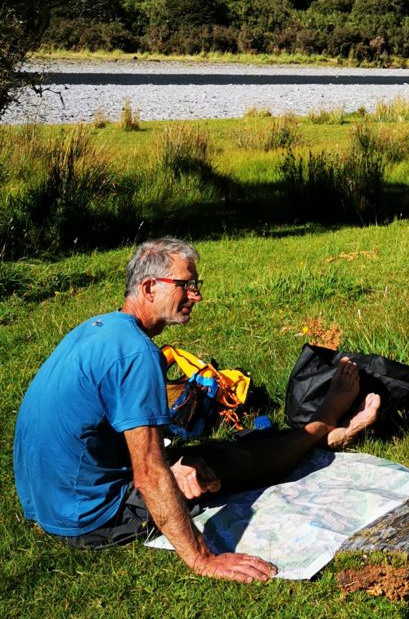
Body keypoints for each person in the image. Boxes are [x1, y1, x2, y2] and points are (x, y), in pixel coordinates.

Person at [13, 237, 380, 583]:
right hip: (90, 518)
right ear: (149, 288)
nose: (196, 295)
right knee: (226, 462)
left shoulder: (100, 329)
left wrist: (173, 467)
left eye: (196, 284)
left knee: (199, 461)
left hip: (50, 504)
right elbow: (148, 475)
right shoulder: (137, 354)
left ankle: (313, 435)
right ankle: (322, 426)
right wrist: (203, 559)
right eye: (185, 285)